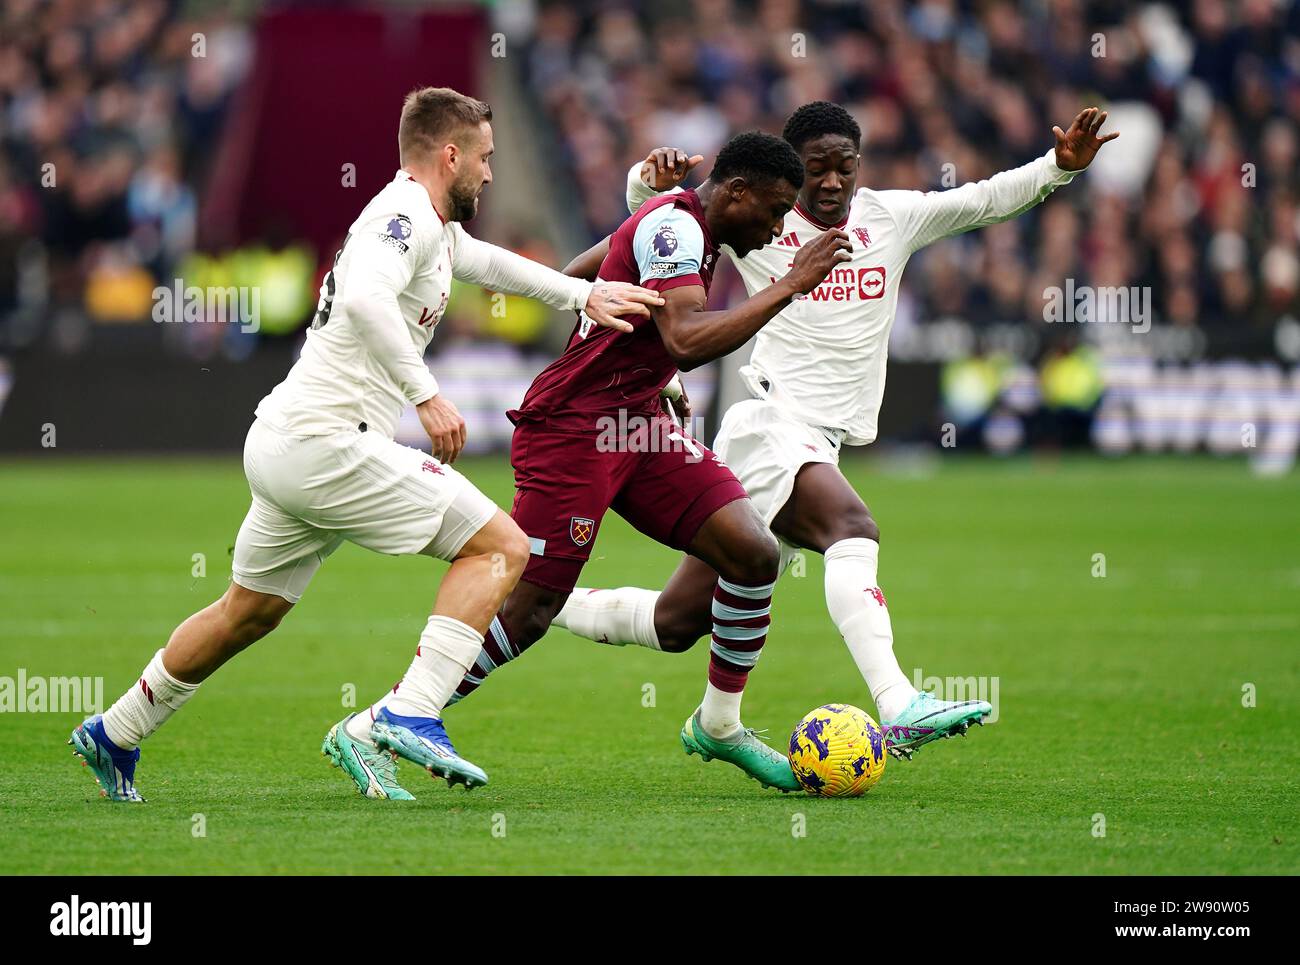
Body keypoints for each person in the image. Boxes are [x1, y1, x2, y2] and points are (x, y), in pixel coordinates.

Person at [69, 86, 663, 802]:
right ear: (450, 154)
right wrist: (425, 393)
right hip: (326, 441)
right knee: (501, 547)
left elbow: (490, 263)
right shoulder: (404, 213)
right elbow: (362, 300)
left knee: (246, 611)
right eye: (484, 157)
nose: (491, 172)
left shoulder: (430, 223)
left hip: (290, 440)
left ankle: (115, 730)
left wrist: (583, 297)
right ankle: (411, 709)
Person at [551, 103, 1119, 759]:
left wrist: (1059, 168)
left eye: (842, 168)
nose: (829, 183)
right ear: (793, 172)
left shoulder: (889, 218)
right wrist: (641, 187)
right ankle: (899, 701)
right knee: (853, 528)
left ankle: (555, 606)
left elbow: (984, 200)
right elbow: (660, 236)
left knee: (677, 621)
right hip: (769, 425)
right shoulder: (762, 221)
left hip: (821, 443)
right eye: (815, 169)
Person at [363, 130, 853, 793]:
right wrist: (792, 285)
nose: (774, 230)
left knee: (753, 551)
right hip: (574, 430)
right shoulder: (676, 230)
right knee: (529, 611)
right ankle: (383, 721)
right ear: (736, 191)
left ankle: (722, 725)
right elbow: (682, 337)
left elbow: (581, 272)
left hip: (638, 423)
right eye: (771, 210)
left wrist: (637, 358)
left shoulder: (676, 224)